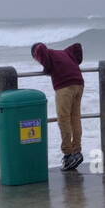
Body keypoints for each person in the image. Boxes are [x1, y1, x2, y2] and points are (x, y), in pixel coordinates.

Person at [32, 41, 85, 171]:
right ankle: (77, 151)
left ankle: (68, 155)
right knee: (75, 118)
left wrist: (46, 67)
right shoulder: (64, 53)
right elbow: (77, 47)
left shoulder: (46, 53)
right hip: (79, 83)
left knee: (63, 119)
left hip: (65, 86)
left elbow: (40, 49)